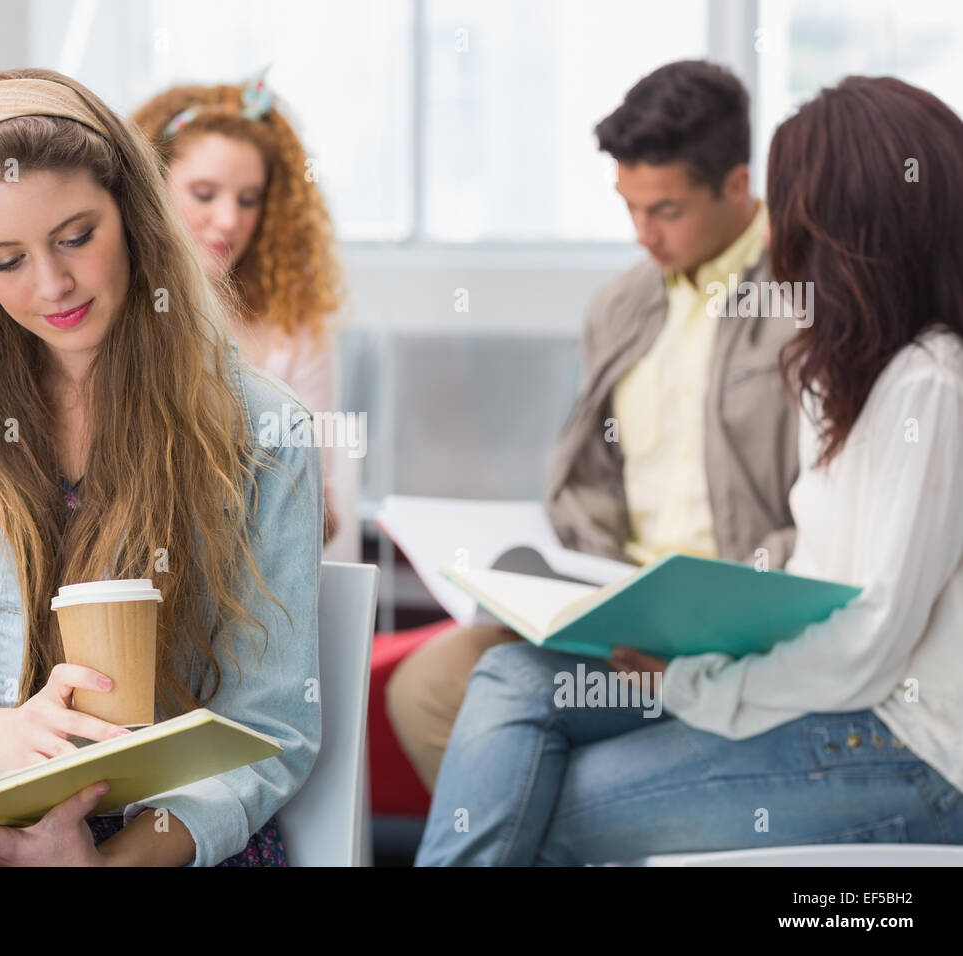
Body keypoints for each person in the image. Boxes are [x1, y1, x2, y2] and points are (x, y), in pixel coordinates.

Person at [416, 74, 963, 865]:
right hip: (812, 687)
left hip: (902, 744)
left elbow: (870, 642)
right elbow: (824, 582)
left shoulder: (931, 382)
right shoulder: (853, 373)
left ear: (860, 236)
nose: (790, 248)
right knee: (511, 679)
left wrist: (693, 683)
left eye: (803, 223)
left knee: (544, 807)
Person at [0, 68, 323, 867]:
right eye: (5, 261)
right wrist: (1, 735)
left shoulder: (263, 429)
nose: (53, 285)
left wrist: (106, 864)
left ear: (134, 218)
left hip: (165, 835)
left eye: (75, 237)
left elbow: (271, 730)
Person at [386, 60, 798, 793]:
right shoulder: (621, 305)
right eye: (628, 206)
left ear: (738, 186)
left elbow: (830, 505)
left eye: (666, 210)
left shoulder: (809, 303)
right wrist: (589, 585)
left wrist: (716, 615)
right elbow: (594, 477)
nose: (643, 234)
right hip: (618, 621)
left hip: (735, 630)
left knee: (514, 711)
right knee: (426, 686)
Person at [130, 70, 351, 557]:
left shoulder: (295, 333)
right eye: (205, 194)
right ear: (151, 188)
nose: (229, 220)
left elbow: (323, 517)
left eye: (249, 200)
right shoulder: (113, 316)